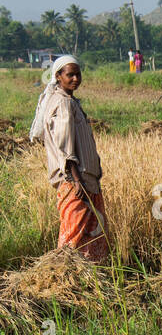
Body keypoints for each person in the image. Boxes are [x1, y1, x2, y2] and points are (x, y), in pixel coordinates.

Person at [29, 55, 109, 262]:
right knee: (74, 233)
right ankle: (63, 273)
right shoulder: (63, 104)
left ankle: (86, 277)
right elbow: (65, 147)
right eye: (69, 74)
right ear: (58, 76)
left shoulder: (69, 101)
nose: (75, 78)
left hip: (86, 180)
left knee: (90, 232)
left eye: (78, 74)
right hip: (75, 181)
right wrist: (75, 181)